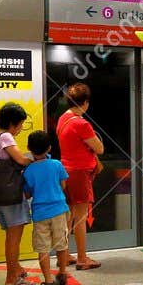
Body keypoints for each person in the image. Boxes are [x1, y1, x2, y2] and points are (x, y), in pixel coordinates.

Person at [0, 102, 35, 285]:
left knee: (10, 236)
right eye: (21, 124)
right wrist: (37, 158)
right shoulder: (6, 136)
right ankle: (11, 278)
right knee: (15, 236)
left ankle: (16, 269)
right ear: (13, 123)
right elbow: (21, 160)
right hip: (11, 195)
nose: (21, 129)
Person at [57, 82, 104, 271]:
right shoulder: (81, 123)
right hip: (80, 173)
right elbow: (99, 149)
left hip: (65, 171)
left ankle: (66, 253)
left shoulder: (63, 119)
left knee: (68, 215)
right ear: (85, 103)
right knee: (81, 216)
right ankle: (83, 258)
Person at [22, 130, 72, 285]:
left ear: (29, 148)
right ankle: (62, 272)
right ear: (49, 147)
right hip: (59, 210)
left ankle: (48, 281)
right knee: (61, 243)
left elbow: (28, 193)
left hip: (40, 213)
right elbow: (63, 185)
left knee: (43, 248)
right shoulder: (57, 164)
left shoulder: (28, 171)